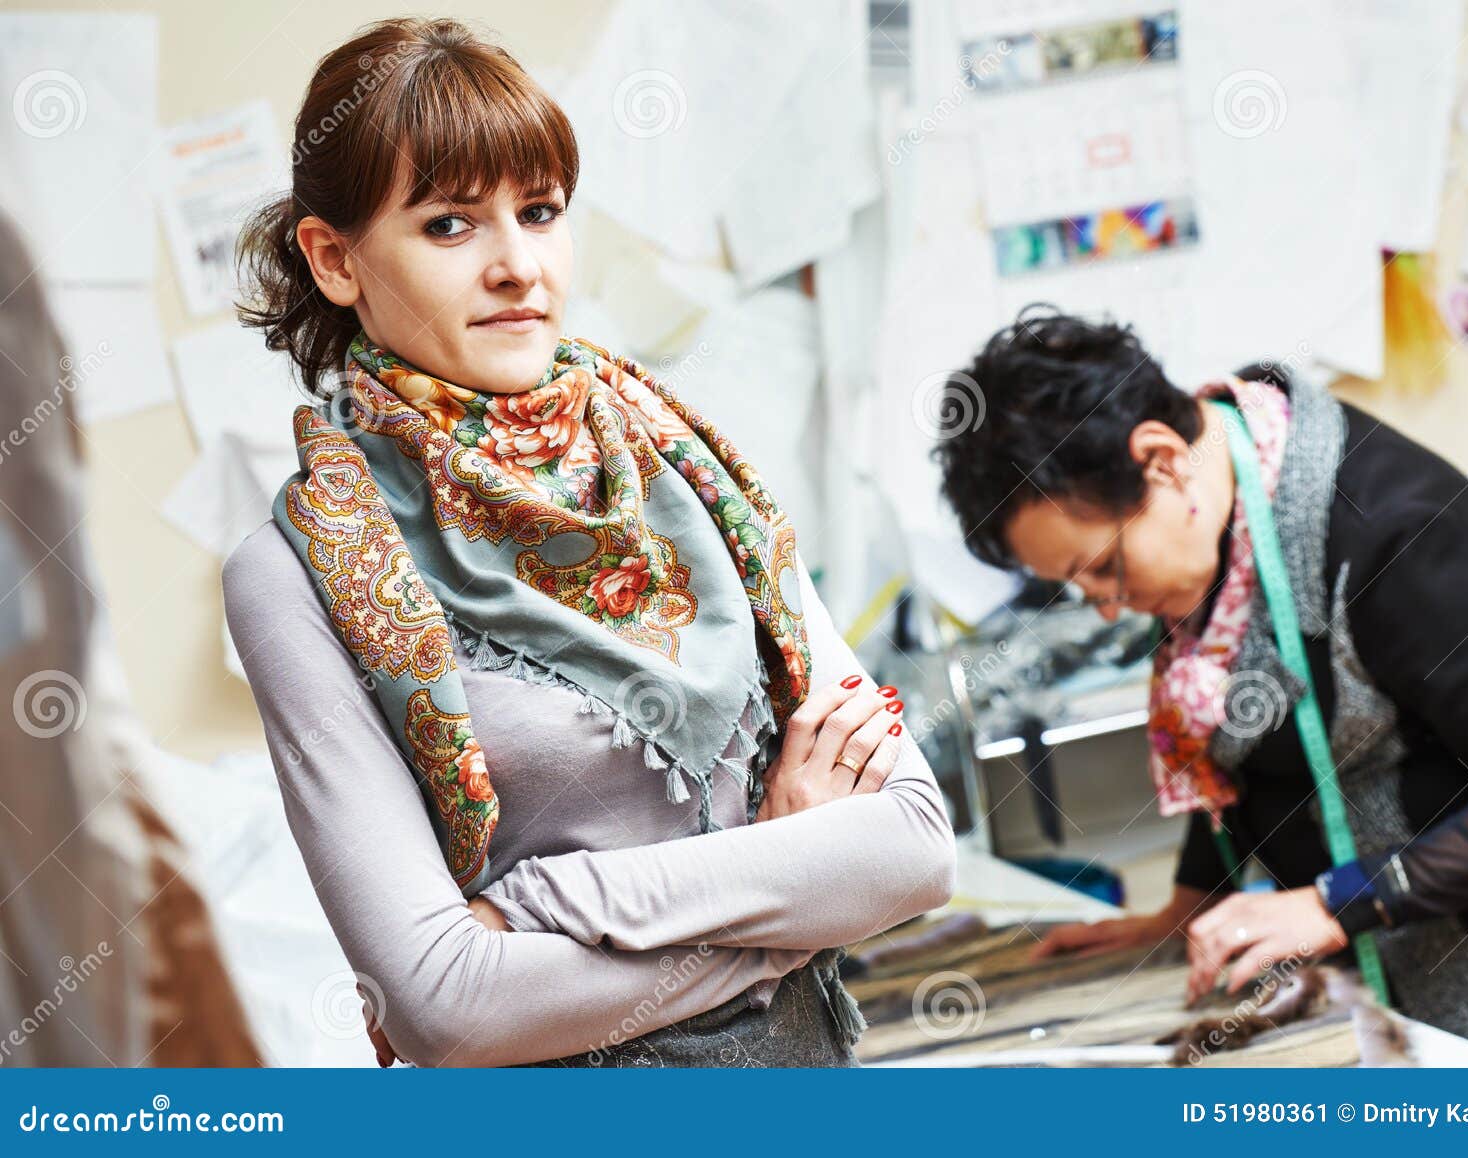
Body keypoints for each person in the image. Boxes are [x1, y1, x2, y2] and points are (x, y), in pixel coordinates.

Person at [222, 17, 954, 1068]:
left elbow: (914, 849)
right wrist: (794, 900)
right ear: (334, 259)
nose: (519, 267)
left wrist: (541, 904)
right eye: (448, 226)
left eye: (540, 212)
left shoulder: (691, 469)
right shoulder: (301, 572)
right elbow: (447, 1006)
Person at [933, 306, 1468, 1065]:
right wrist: (1187, 908)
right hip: (1372, 984)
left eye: (1104, 569)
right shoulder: (1213, 512)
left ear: (1158, 460)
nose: (1111, 606)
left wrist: (1340, 902)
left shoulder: (1402, 533)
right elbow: (1240, 749)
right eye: (1078, 588)